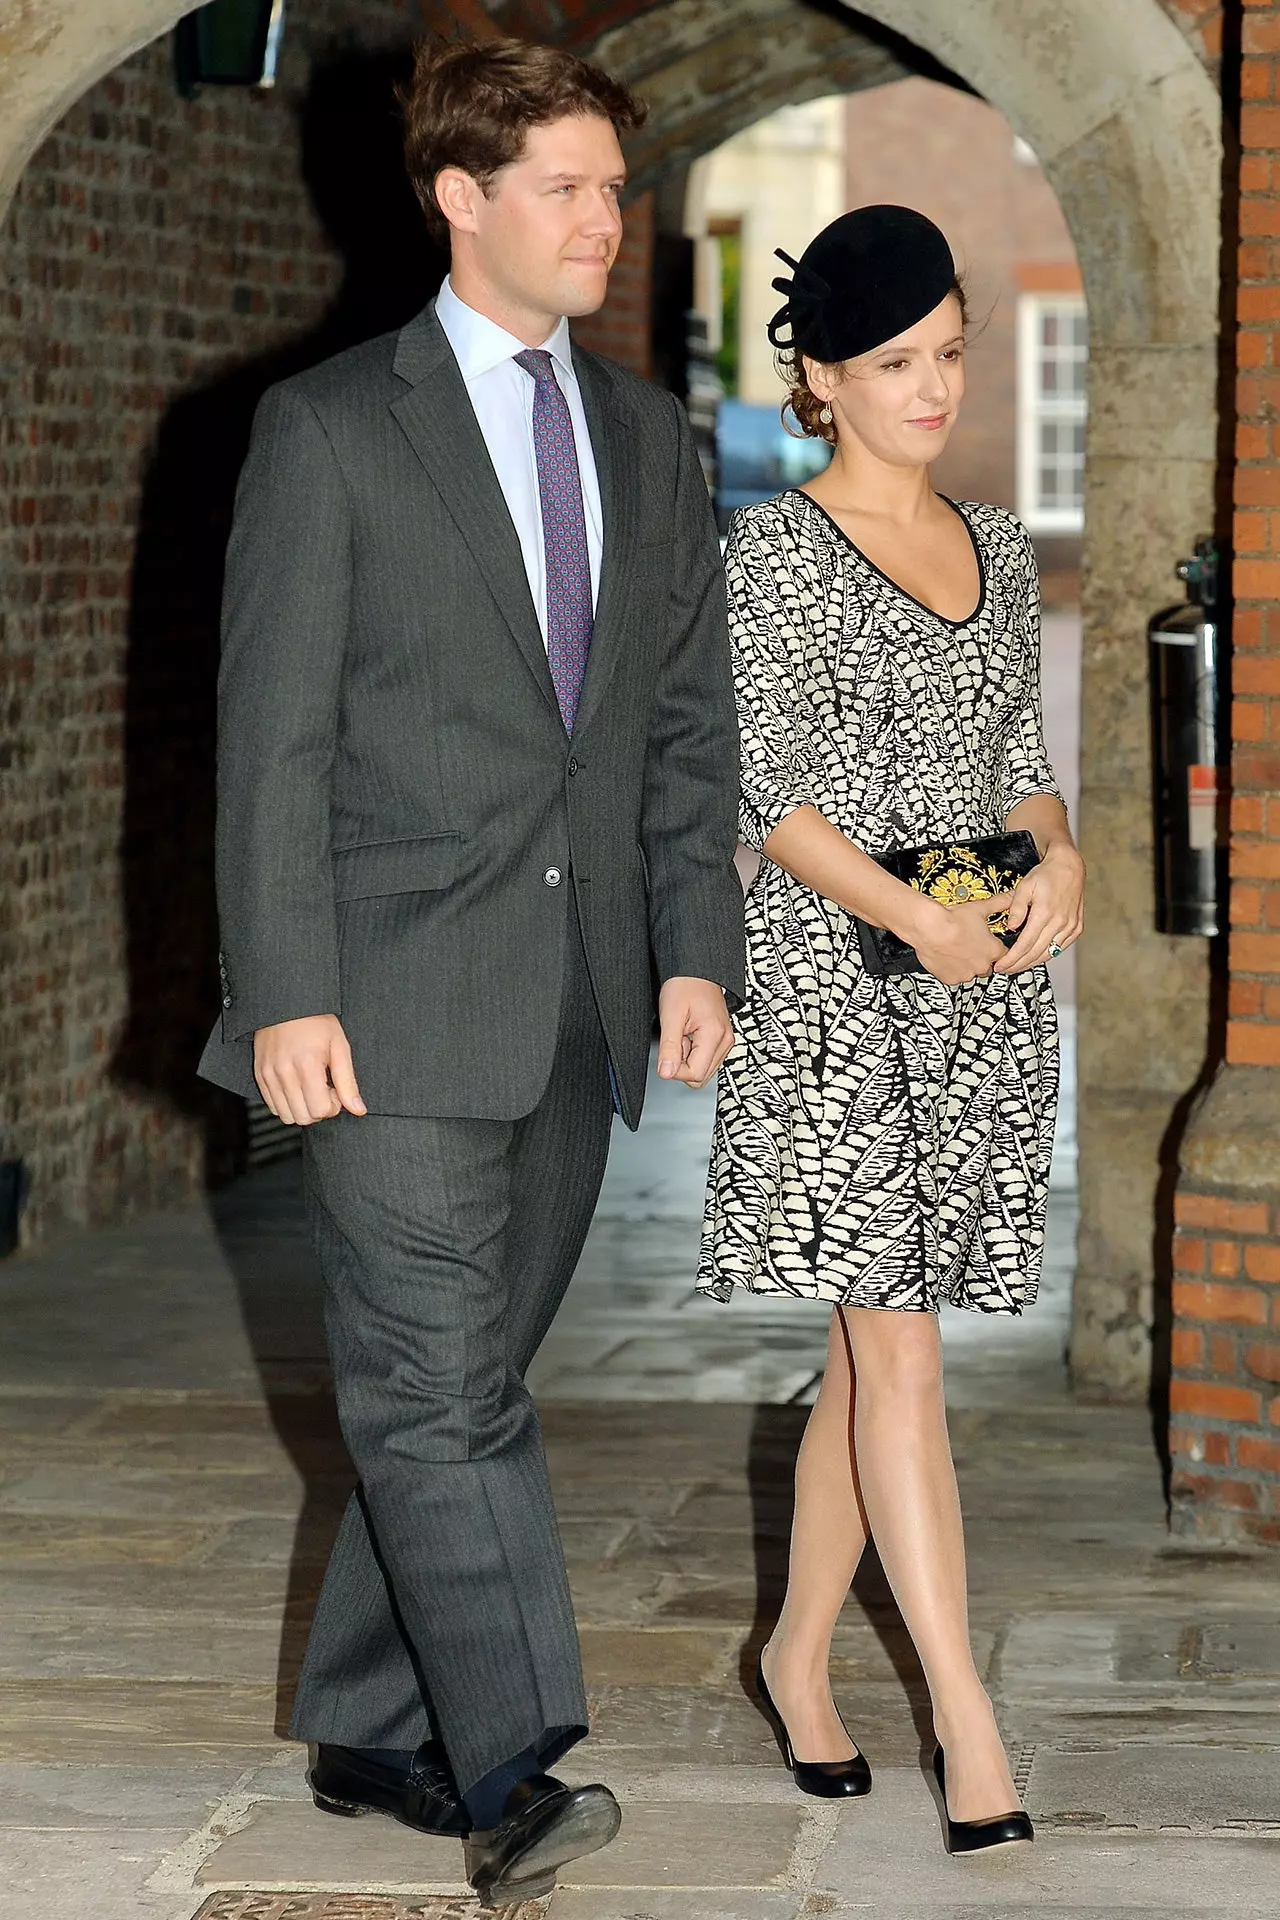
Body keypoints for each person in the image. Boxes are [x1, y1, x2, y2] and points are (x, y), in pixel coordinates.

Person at [199, 37, 743, 1908]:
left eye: (613, 186)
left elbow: (683, 727)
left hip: (582, 992)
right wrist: (285, 991)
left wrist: (694, 948)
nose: (606, 218)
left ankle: (365, 1715)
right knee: (440, 1396)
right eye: (569, 187)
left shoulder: (650, 439)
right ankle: (509, 1763)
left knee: (464, 1369)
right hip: (382, 992)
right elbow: (268, 744)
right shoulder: (334, 429)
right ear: (461, 197)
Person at [698, 206, 1085, 1855]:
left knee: (879, 1352)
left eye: (947, 356)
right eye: (893, 365)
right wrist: (906, 912)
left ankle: (795, 1651)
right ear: (819, 377)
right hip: (841, 1000)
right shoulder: (772, 554)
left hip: (976, 998)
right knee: (897, 1348)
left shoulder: (998, 546)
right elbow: (765, 788)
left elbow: (1016, 752)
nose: (930, 390)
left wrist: (1058, 849)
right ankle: (965, 1720)